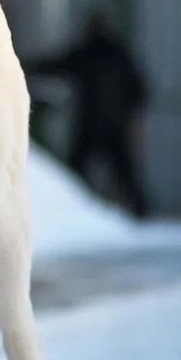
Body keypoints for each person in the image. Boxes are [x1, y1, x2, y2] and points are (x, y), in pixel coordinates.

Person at [28, 11, 150, 217]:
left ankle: (142, 214)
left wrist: (134, 121)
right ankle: (75, 212)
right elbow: (58, 64)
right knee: (78, 174)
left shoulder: (115, 55)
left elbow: (139, 91)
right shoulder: (93, 54)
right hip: (97, 126)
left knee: (124, 178)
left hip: (107, 127)